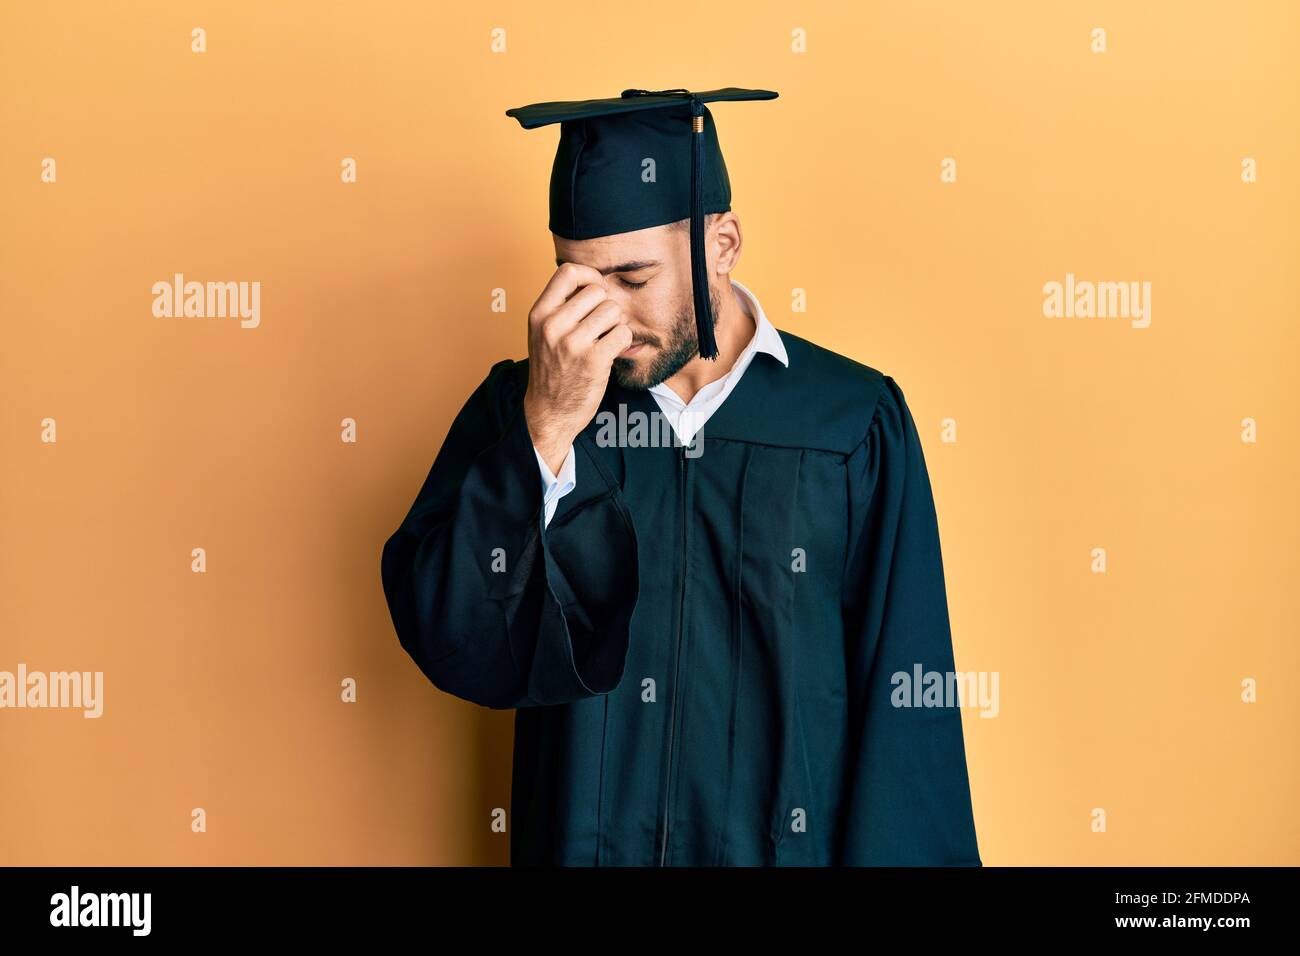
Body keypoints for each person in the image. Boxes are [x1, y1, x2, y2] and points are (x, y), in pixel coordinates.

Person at [380, 87, 982, 866]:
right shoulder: (523, 405)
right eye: (576, 281)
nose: (607, 319)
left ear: (722, 244)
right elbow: (451, 637)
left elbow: (905, 700)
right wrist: (548, 427)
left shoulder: (849, 422)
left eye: (633, 279)